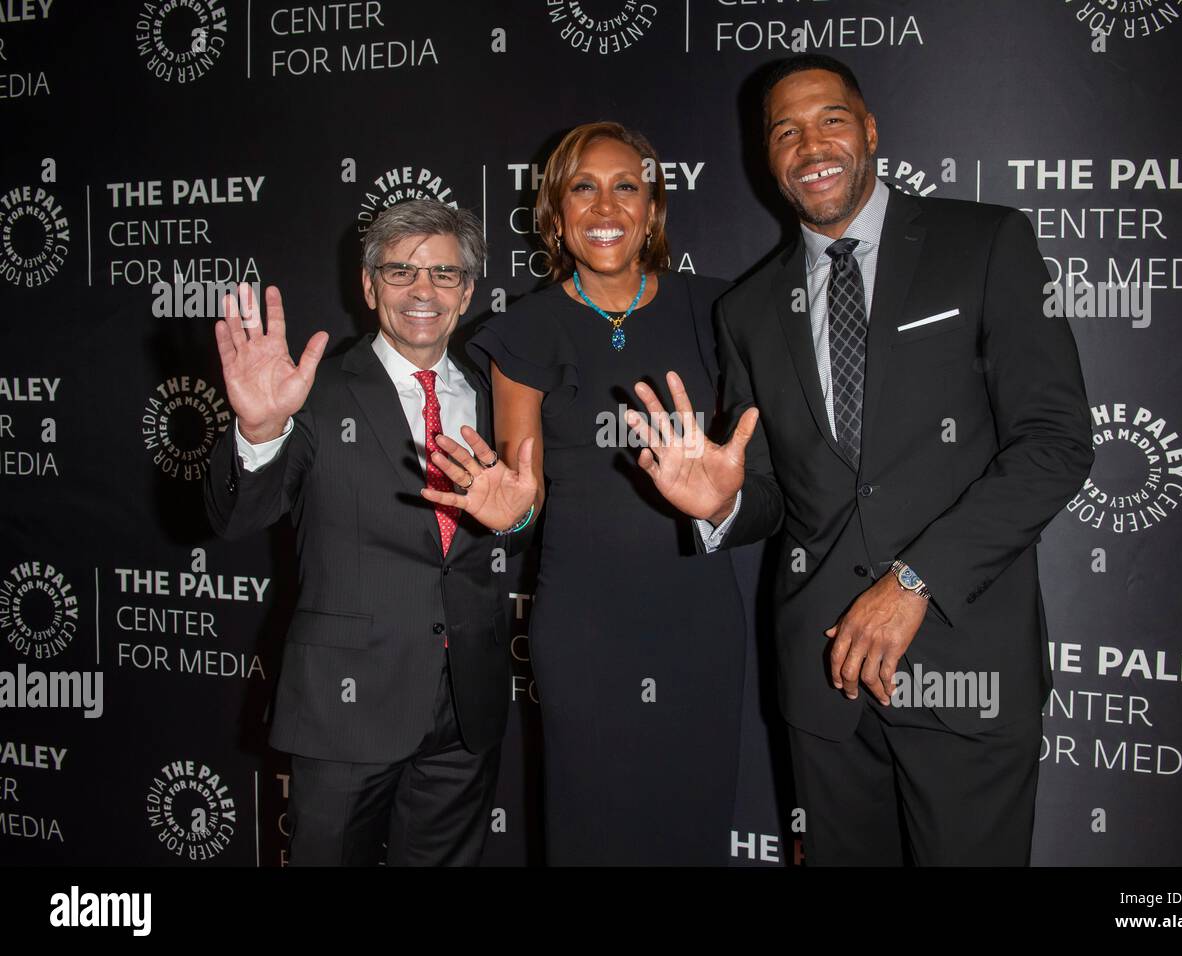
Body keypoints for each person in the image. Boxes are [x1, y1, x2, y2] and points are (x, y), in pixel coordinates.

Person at [625, 54, 1094, 865]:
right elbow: (772, 492)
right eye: (785, 131)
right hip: (823, 683)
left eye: (830, 119)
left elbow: (1054, 444)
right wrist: (723, 505)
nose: (811, 145)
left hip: (964, 669)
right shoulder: (747, 309)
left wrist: (915, 580)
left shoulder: (983, 244)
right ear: (763, 156)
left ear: (870, 129)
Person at [423, 122, 748, 865]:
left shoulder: (719, 310)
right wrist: (512, 514)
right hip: (586, 629)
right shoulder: (525, 331)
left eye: (626, 185)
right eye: (583, 187)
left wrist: (727, 495)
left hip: (697, 618)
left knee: (691, 827)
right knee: (591, 829)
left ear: (653, 209)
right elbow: (522, 489)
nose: (606, 205)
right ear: (556, 213)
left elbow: (751, 474)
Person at [203, 200, 532, 865]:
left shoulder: (498, 398)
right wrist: (261, 432)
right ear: (368, 285)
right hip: (344, 710)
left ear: (467, 291)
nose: (423, 291)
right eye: (400, 271)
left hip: (466, 707)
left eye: (444, 273)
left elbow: (515, 528)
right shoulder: (313, 392)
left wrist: (518, 518)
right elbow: (236, 516)